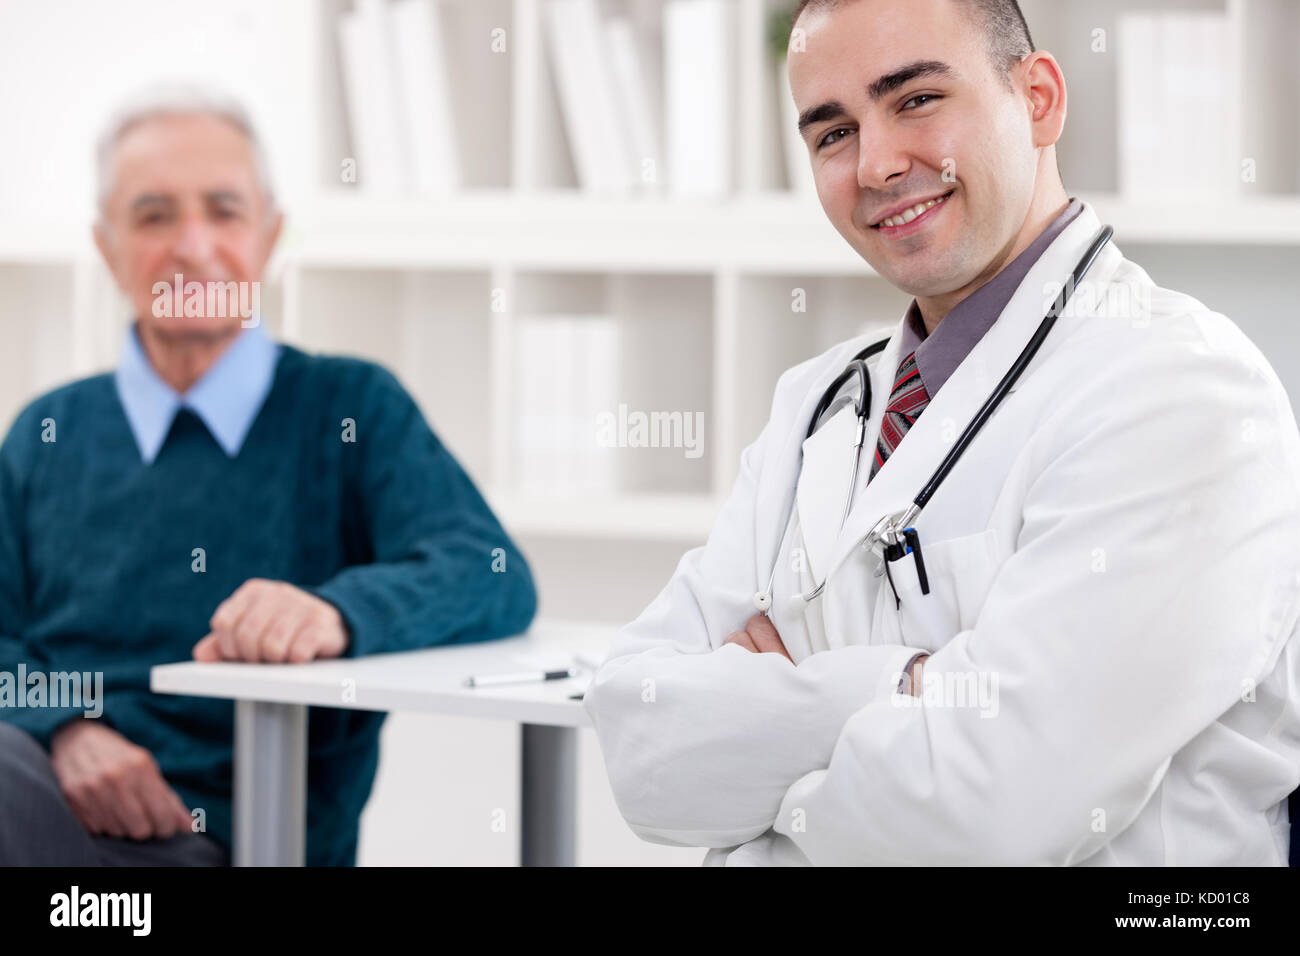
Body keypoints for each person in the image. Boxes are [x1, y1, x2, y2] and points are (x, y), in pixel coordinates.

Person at [583, 0, 1300, 865]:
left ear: (1038, 99)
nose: (877, 164)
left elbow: (990, 814)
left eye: (916, 99)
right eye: (832, 133)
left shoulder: (1181, 391)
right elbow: (640, 743)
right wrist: (901, 686)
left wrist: (771, 724)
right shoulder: (816, 403)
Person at [0, 86, 538, 866]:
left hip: (233, 834)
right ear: (107, 246)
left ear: (269, 234)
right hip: (37, 795)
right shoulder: (48, 431)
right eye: (154, 216)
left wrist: (333, 611)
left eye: (223, 210)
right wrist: (68, 727)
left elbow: (491, 572)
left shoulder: (348, 408)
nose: (192, 245)